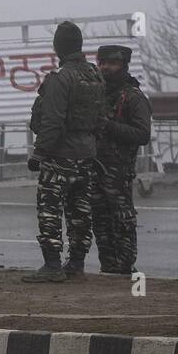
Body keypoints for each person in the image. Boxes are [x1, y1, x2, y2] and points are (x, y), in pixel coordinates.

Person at [24, 21, 104, 282]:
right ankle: (77, 264)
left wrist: (39, 153)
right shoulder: (95, 76)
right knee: (80, 211)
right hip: (86, 155)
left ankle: (52, 266)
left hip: (60, 156)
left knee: (49, 209)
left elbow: (53, 121)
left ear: (58, 47)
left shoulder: (61, 78)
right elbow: (101, 118)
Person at [89, 45, 151, 274]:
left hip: (118, 171)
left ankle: (125, 267)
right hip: (94, 167)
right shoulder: (95, 94)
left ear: (123, 66)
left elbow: (142, 134)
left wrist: (109, 126)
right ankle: (108, 267)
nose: (106, 68)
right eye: (102, 63)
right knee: (100, 221)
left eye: (112, 63)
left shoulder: (133, 97)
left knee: (122, 220)